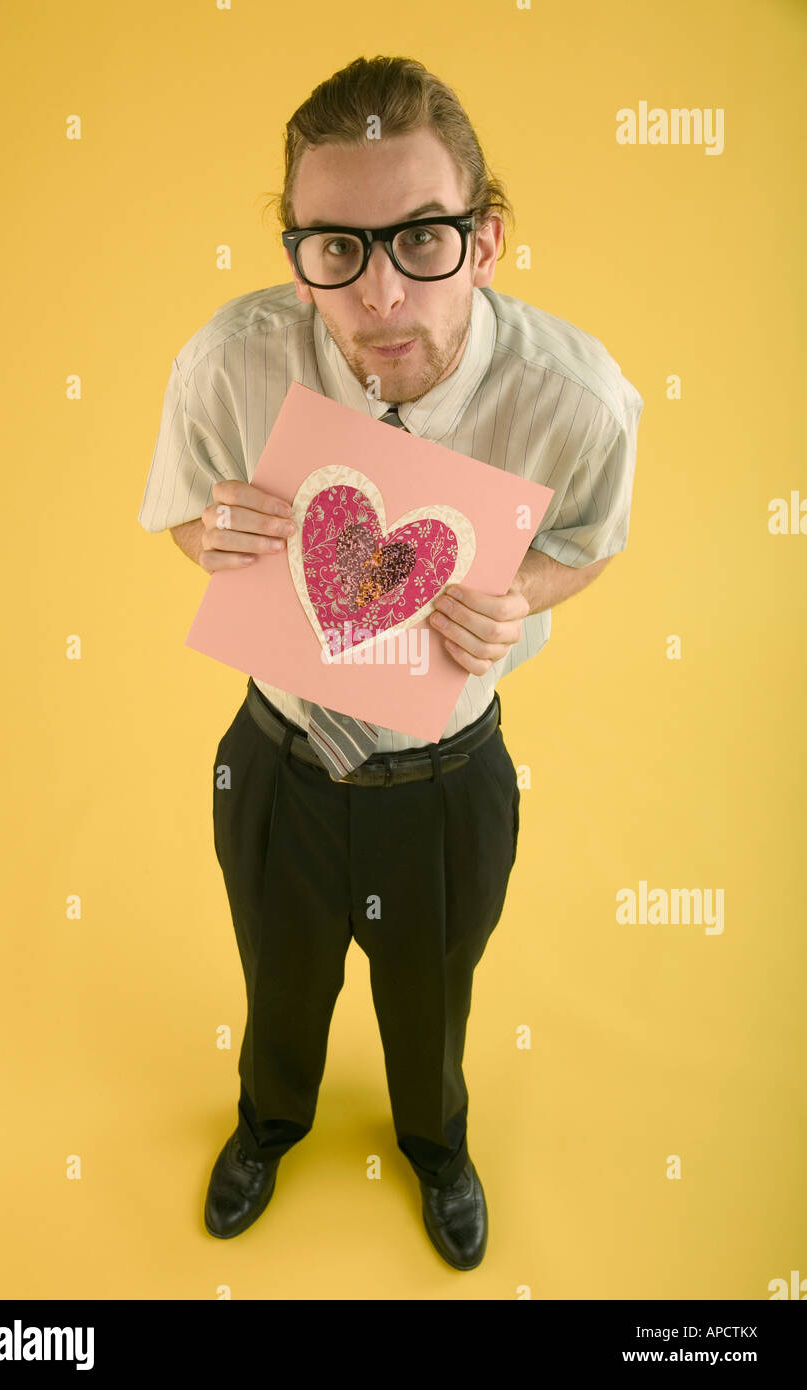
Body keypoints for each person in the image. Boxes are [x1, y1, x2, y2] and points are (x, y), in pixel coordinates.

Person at [138, 55, 643, 1271]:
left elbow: (590, 542)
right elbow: (178, 514)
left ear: (486, 239)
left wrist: (523, 591)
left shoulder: (578, 402)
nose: (378, 295)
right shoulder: (229, 362)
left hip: (449, 781)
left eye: (421, 238)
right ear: (296, 249)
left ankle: (438, 1148)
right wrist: (221, 538)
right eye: (335, 248)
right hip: (277, 763)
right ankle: (270, 1124)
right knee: (279, 983)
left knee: (433, 1002)